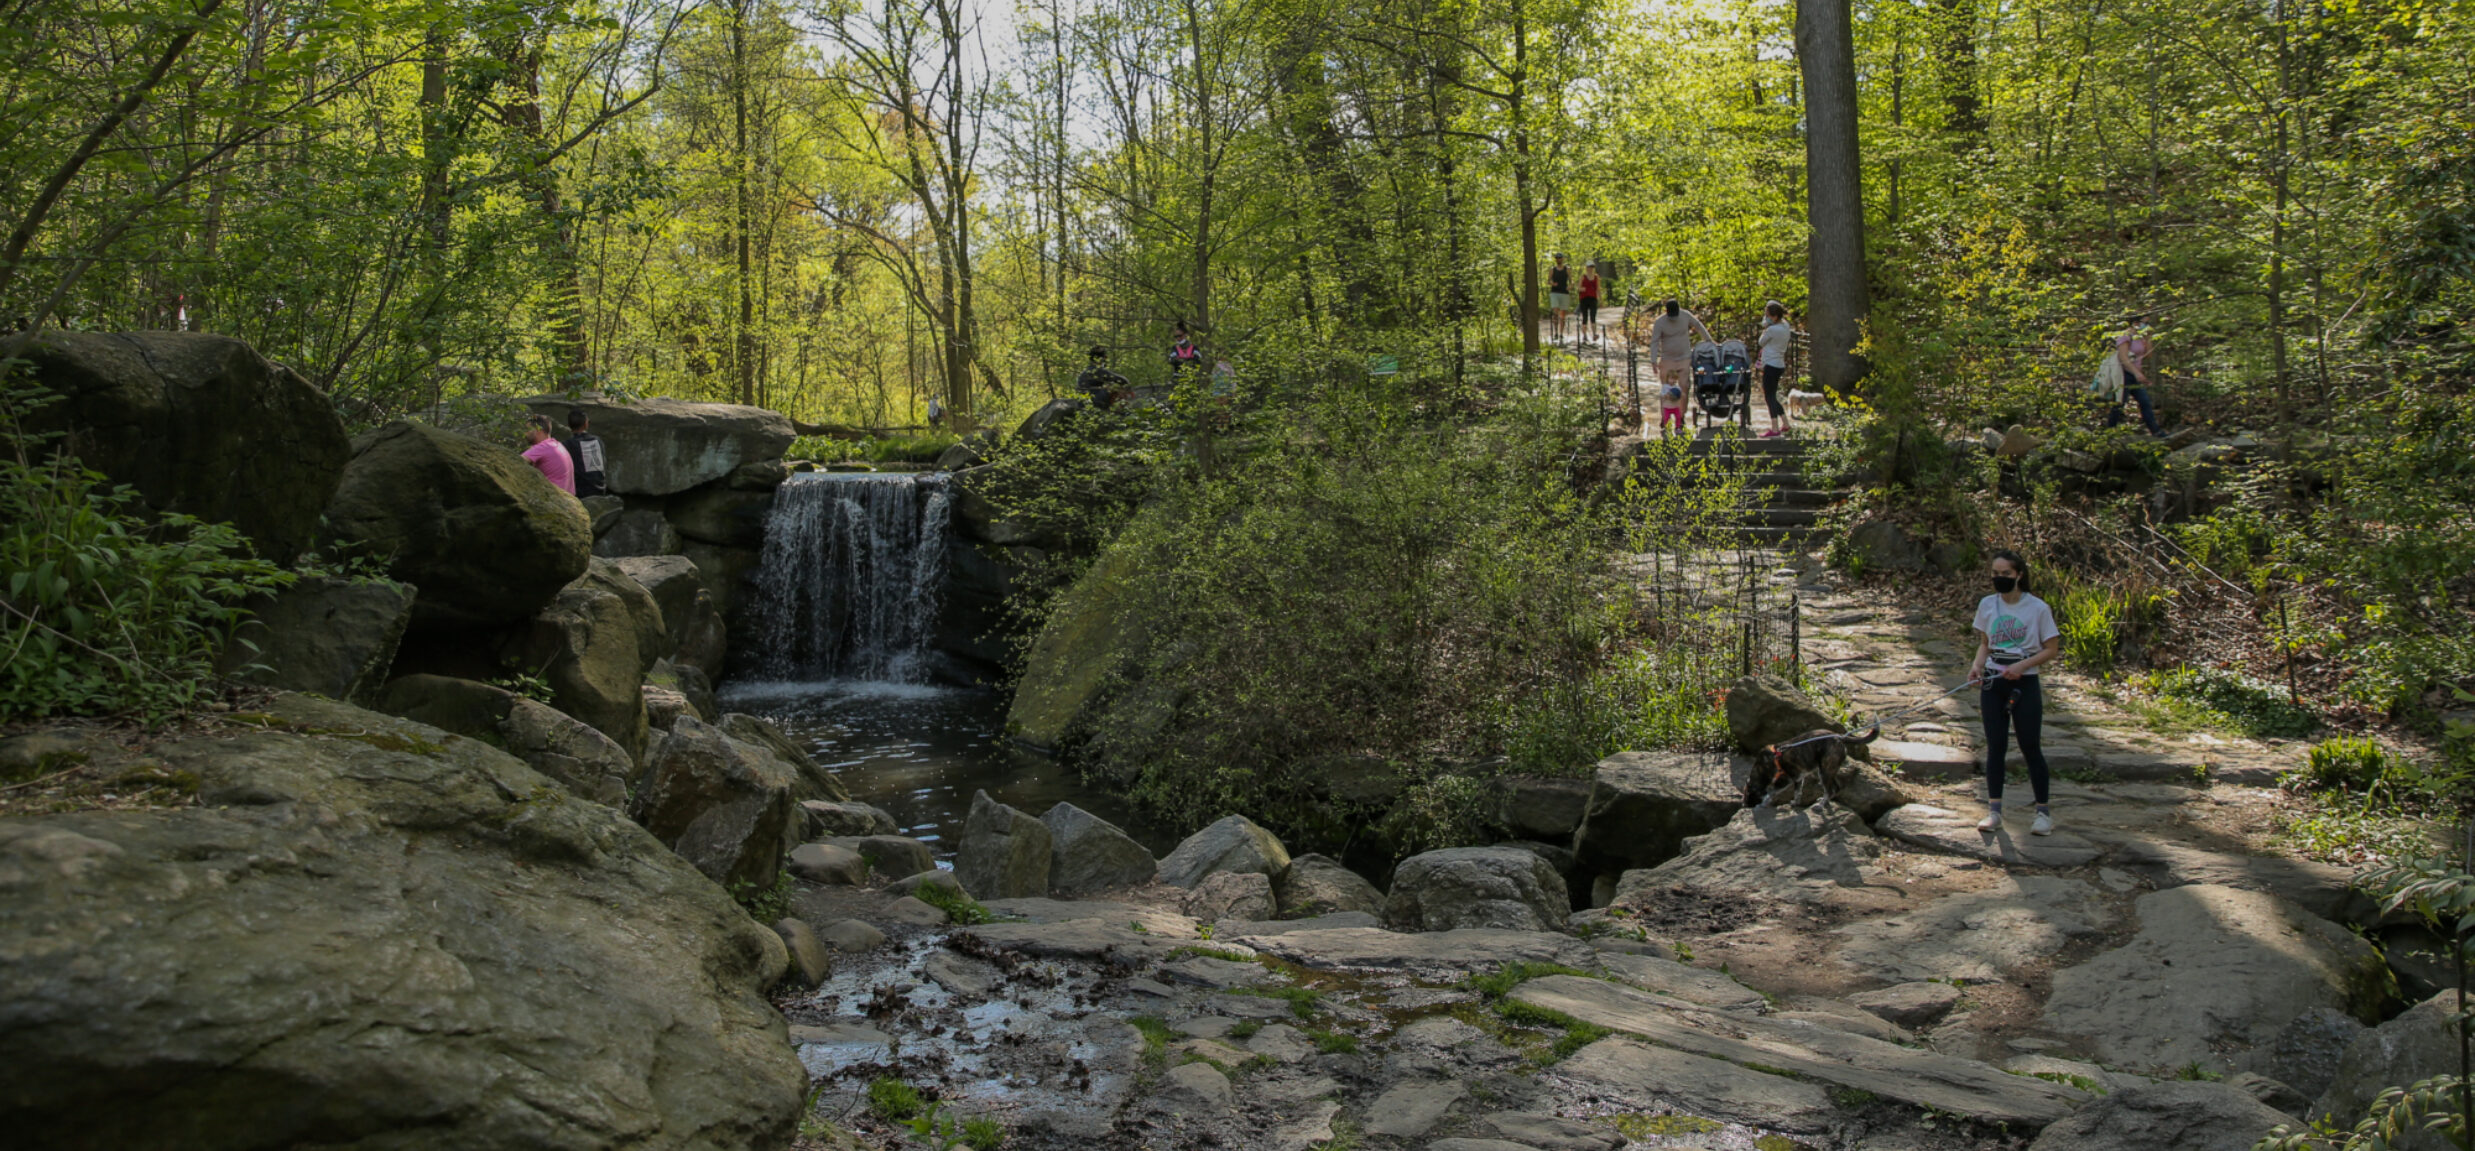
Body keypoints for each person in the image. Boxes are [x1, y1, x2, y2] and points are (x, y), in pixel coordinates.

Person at [1969, 550, 2062, 835]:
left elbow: (2051, 649)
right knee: (1995, 746)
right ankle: (1994, 811)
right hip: (1994, 682)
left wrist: (2022, 666)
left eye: (2005, 575)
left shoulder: (2037, 608)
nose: (1999, 579)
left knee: (2030, 747)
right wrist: (1977, 666)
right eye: (1995, 574)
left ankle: (2043, 814)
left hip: (2025, 683)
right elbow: (1986, 642)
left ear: (2019, 575)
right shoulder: (1987, 605)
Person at [1647, 299, 1713, 420]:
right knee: (1667, 389)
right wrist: (1653, 360)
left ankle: (1681, 416)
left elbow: (1698, 325)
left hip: (1684, 358)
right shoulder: (1660, 322)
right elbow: (1655, 342)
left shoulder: (1685, 315)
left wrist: (1709, 341)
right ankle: (1665, 417)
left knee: (1684, 386)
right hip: (1668, 359)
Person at [2103, 315, 2162, 436]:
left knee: (2145, 402)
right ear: (2135, 323)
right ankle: (2108, 433)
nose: (2147, 326)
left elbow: (2149, 355)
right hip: (2124, 374)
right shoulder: (2125, 336)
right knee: (2119, 405)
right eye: (2144, 323)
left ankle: (2156, 432)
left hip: (2135, 375)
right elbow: (2123, 357)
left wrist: (2148, 339)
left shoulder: (2140, 338)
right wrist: (2136, 373)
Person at [1756, 301, 1793, 437]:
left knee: (1769, 397)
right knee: (1773, 395)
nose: (1766, 318)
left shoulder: (1772, 330)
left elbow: (1761, 342)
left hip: (1771, 364)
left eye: (1768, 316)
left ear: (1775, 317)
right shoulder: (1785, 326)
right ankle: (1786, 423)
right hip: (1779, 364)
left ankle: (1775, 428)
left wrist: (1765, 328)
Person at [558, 409, 608, 497]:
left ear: (569, 425)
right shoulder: (597, 440)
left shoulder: (567, 445)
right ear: (586, 424)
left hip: (580, 492)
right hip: (600, 489)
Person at [521, 415, 575, 495]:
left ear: (538, 430)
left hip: (554, 498)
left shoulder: (542, 447)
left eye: (528, 430)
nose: (525, 433)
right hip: (568, 499)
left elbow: (515, 461)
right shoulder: (556, 445)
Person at [1546, 255, 1572, 342]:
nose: (1558, 259)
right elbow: (1548, 281)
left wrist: (1571, 285)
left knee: (1563, 315)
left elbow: (1571, 280)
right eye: (1557, 258)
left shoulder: (1567, 268)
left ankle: (1561, 333)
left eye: (1560, 258)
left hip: (1564, 293)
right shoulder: (1552, 269)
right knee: (1555, 311)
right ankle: (1556, 332)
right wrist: (1552, 284)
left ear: (1563, 259)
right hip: (1555, 293)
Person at [1576, 262, 1603, 344]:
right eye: (1589, 267)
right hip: (1584, 299)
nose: (1590, 268)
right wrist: (1582, 289)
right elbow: (1578, 288)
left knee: (1593, 317)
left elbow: (1598, 288)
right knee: (1585, 317)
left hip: (1593, 298)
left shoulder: (1596, 277)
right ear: (1586, 268)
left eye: (1592, 267)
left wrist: (1601, 299)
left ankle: (1594, 334)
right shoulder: (1583, 277)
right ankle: (1584, 335)